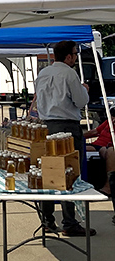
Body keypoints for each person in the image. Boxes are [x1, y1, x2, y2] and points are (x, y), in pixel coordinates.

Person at [35, 40, 93, 236]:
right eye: (75, 54)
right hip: (67, 126)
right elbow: (81, 101)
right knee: (69, 174)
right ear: (68, 56)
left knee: (48, 174)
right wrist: (84, 89)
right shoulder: (69, 73)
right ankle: (69, 222)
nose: (76, 57)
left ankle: (47, 220)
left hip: (45, 126)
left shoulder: (43, 73)